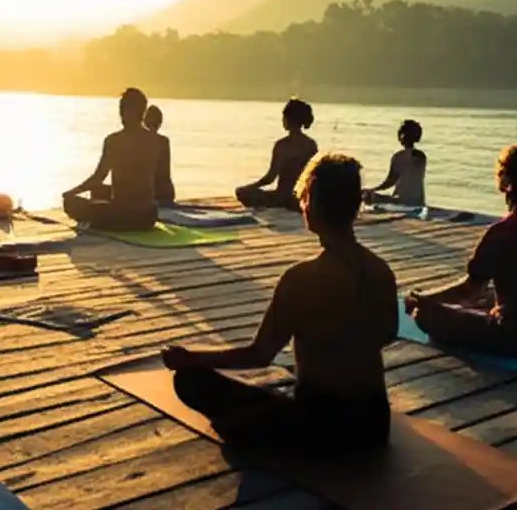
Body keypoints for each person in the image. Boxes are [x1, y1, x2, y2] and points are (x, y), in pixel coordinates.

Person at [163, 153, 397, 454]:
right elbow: (387, 334)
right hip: (373, 425)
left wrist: (192, 358)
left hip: (320, 426)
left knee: (192, 382)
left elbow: (259, 355)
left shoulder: (300, 279)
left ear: (310, 204)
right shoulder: (382, 271)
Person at [404, 145, 517, 357]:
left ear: (506, 182)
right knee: (489, 296)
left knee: (424, 313)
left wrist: (423, 297)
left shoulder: (502, 231)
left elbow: (469, 290)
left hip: (514, 336)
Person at [61, 88, 160, 231]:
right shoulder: (154, 140)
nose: (121, 115)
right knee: (100, 191)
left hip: (123, 214)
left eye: (123, 110)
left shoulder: (114, 141)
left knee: (71, 202)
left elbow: (98, 177)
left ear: (129, 111)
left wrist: (71, 193)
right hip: (148, 215)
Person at [236, 98, 318, 211]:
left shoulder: (282, 145)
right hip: (302, 197)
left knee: (241, 192)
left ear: (289, 119)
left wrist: (250, 187)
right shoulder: (311, 144)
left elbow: (270, 178)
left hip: (282, 197)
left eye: (284, 117)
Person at [363, 119, 427, 207]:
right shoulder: (421, 156)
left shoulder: (398, 157)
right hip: (418, 202)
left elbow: (390, 181)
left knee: (366, 195)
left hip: (401, 201)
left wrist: (373, 189)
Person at [144, 105, 176, 206]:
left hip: (154, 192)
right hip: (166, 192)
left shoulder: (139, 141)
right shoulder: (164, 141)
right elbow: (166, 172)